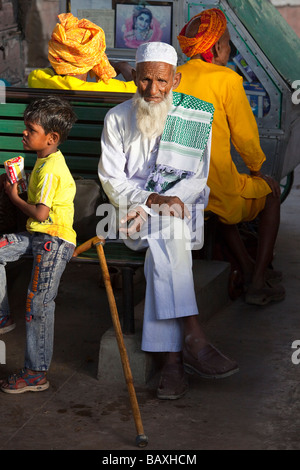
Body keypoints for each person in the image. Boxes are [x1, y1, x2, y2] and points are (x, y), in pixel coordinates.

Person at [98, 41, 239, 400]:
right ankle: (192, 336)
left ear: (175, 79)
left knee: (169, 229)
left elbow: (196, 178)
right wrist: (150, 200)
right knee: (168, 231)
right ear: (134, 78)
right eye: (145, 80)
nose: (153, 90)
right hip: (130, 214)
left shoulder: (194, 116)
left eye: (162, 82)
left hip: (178, 208)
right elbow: (112, 179)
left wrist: (164, 202)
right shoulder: (117, 119)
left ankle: (173, 362)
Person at [176, 8, 285, 306]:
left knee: (224, 202)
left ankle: (248, 267)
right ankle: (258, 281)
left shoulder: (173, 77)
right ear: (215, 48)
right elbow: (246, 138)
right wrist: (258, 171)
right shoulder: (228, 80)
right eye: (227, 43)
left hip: (180, 184)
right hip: (216, 187)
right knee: (270, 195)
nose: (229, 49)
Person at [0, 96, 77, 393]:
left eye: (30, 130)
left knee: (38, 303)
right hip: (39, 236)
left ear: (51, 138)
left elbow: (41, 213)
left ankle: (35, 372)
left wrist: (14, 197)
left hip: (53, 240)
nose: (24, 134)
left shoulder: (50, 169)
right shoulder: (44, 161)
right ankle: (3, 317)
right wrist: (20, 185)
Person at [28, 13, 136, 93]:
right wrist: (123, 66)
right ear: (91, 62)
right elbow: (139, 87)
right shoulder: (106, 88)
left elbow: (46, 71)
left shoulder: (37, 80)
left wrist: (67, 61)